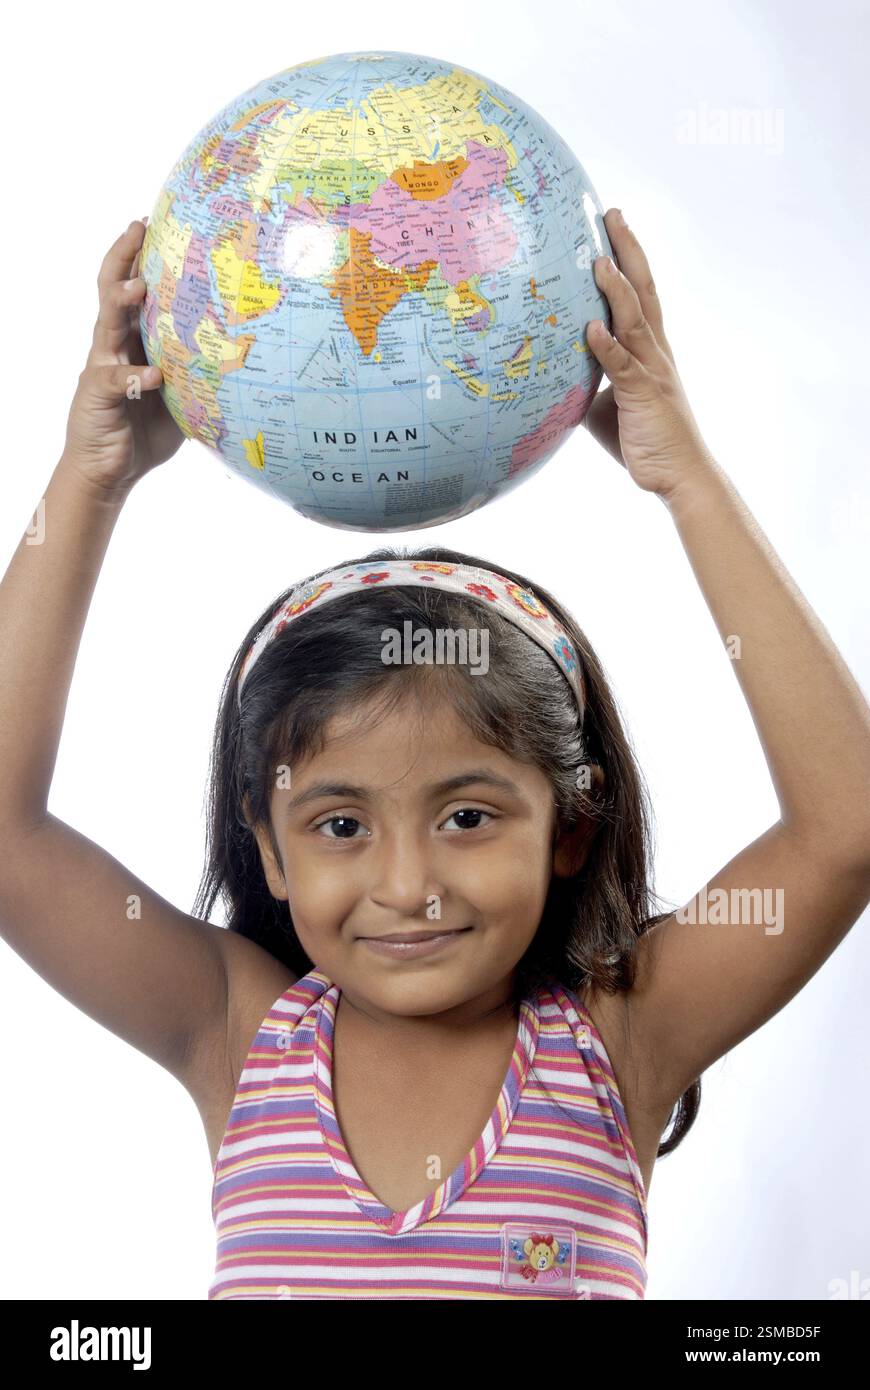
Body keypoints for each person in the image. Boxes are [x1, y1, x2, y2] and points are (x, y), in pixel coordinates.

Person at [1, 211, 868, 1301]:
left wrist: (684, 475)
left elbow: (847, 829)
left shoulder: (621, 1039)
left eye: (467, 815)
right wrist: (89, 485)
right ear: (267, 849)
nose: (409, 888)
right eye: (340, 825)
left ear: (573, 827)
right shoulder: (239, 1033)